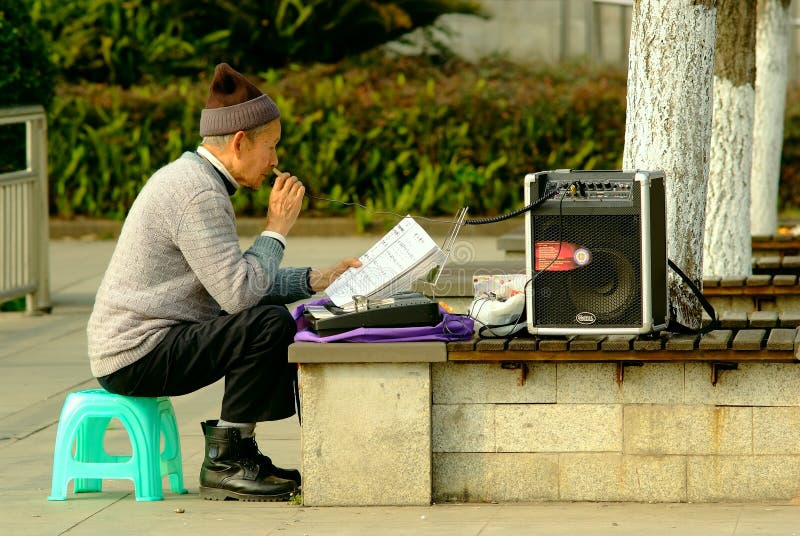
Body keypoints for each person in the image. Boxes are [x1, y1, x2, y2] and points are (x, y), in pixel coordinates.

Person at [87, 63, 360, 502]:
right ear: (239, 142)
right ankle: (227, 460)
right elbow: (239, 295)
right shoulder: (197, 193)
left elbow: (235, 278)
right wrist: (276, 230)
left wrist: (318, 278)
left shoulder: (197, 179)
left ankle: (238, 449)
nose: (274, 161)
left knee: (267, 316)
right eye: (271, 147)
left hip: (149, 342)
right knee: (268, 323)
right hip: (137, 352)